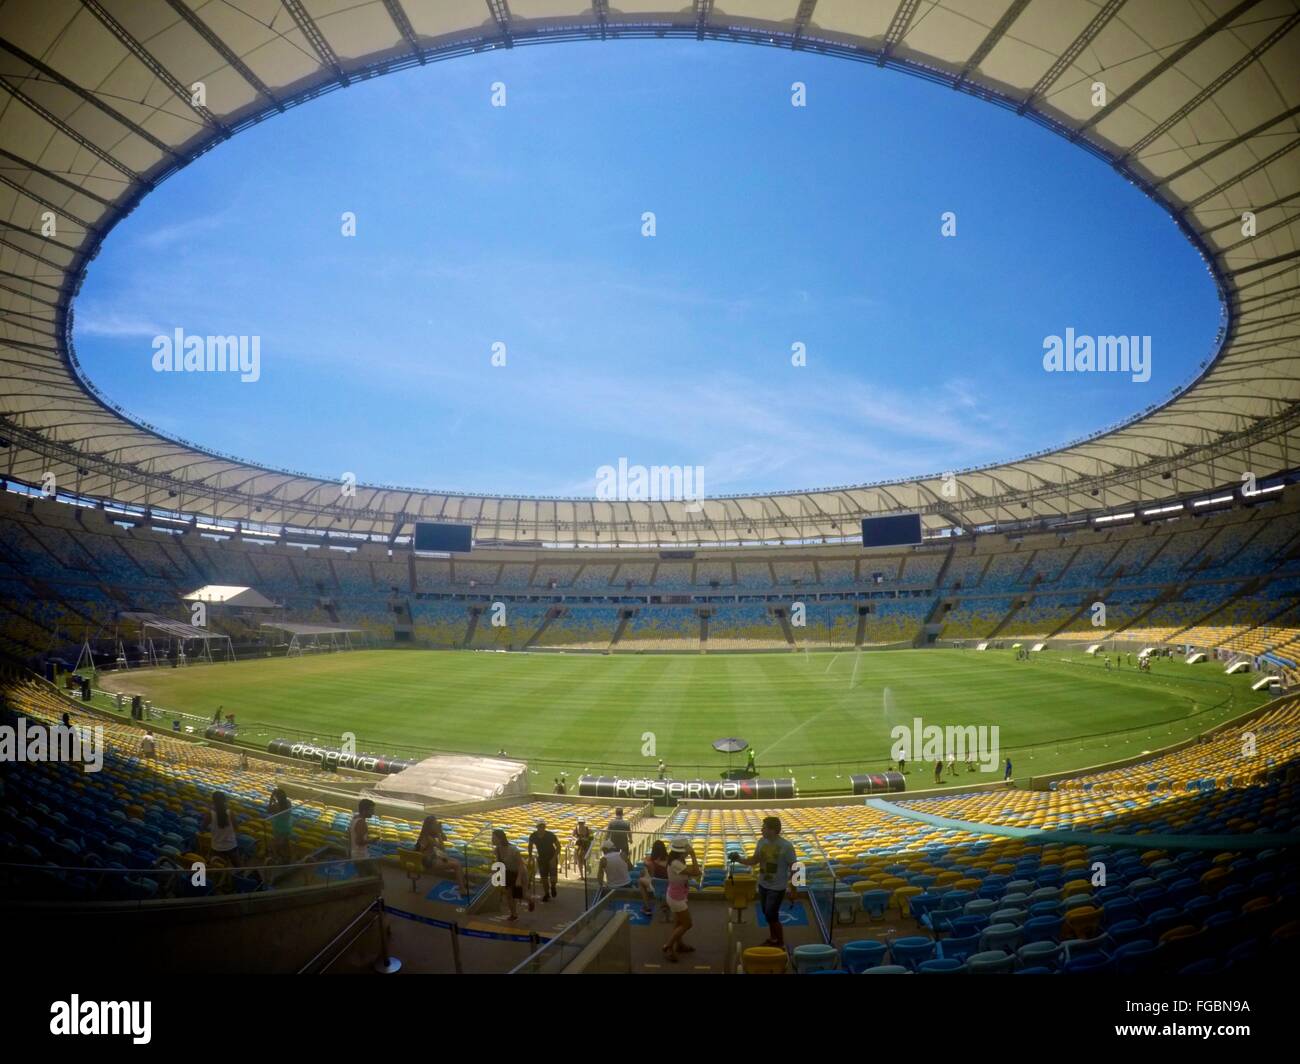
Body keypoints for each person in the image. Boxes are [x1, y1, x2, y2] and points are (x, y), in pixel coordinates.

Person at [729, 817, 797, 950]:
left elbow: (796, 867)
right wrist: (739, 859)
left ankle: (781, 943)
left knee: (772, 915)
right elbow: (754, 860)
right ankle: (773, 939)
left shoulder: (786, 846)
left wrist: (794, 889)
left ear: (772, 830)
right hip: (763, 885)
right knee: (768, 914)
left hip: (777, 888)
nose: (761, 829)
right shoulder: (761, 842)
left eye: (764, 827)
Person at [661, 837, 702, 962]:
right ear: (681, 851)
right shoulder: (676, 863)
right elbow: (696, 872)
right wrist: (693, 854)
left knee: (679, 923)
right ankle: (668, 946)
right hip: (676, 898)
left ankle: (679, 945)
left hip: (677, 894)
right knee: (687, 924)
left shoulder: (677, 860)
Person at [415, 815, 467, 892]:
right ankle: (462, 889)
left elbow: (445, 839)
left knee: (457, 861)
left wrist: (441, 831)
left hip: (432, 858)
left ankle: (464, 882)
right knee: (456, 865)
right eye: (435, 824)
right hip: (429, 862)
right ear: (430, 826)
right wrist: (439, 833)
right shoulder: (427, 837)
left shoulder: (428, 834)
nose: (436, 825)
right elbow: (442, 849)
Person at [492, 828, 534, 920]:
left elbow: (521, 865)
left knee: (521, 895)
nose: (492, 839)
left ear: (500, 838)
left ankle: (530, 900)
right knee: (509, 895)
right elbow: (499, 863)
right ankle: (513, 914)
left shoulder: (513, 850)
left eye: (494, 837)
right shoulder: (497, 850)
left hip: (520, 873)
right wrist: (496, 875)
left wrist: (518, 879)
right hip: (509, 873)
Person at [206, 791, 240, 868]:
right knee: (239, 867)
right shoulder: (230, 812)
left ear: (213, 801)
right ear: (225, 800)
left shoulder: (210, 814)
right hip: (231, 846)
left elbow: (203, 827)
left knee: (219, 869)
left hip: (216, 847)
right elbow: (237, 828)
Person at [528, 820, 560, 902]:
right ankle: (546, 894)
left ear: (545, 827)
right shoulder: (533, 836)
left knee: (553, 876)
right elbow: (530, 845)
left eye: (542, 827)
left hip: (552, 857)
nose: (541, 828)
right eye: (539, 827)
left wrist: (554, 858)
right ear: (537, 827)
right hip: (541, 858)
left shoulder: (550, 835)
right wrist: (530, 856)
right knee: (544, 878)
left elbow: (558, 846)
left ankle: (553, 887)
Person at [638, 839, 669, 916]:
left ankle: (647, 907)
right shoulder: (670, 860)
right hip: (669, 886)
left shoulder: (650, 862)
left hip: (655, 886)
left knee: (640, 881)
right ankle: (664, 904)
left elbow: (644, 871)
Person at [349, 798, 377, 877]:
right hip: (361, 857)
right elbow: (359, 841)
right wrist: (371, 841)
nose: (373, 813)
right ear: (365, 810)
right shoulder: (361, 823)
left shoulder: (355, 818)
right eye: (371, 810)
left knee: (363, 877)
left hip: (356, 855)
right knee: (374, 876)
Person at [267, 788, 293, 863]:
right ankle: (288, 857)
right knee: (286, 842)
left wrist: (271, 798)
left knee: (278, 844)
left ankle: (281, 857)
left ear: (277, 797)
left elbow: (268, 810)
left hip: (278, 826)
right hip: (286, 825)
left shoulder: (276, 806)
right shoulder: (288, 802)